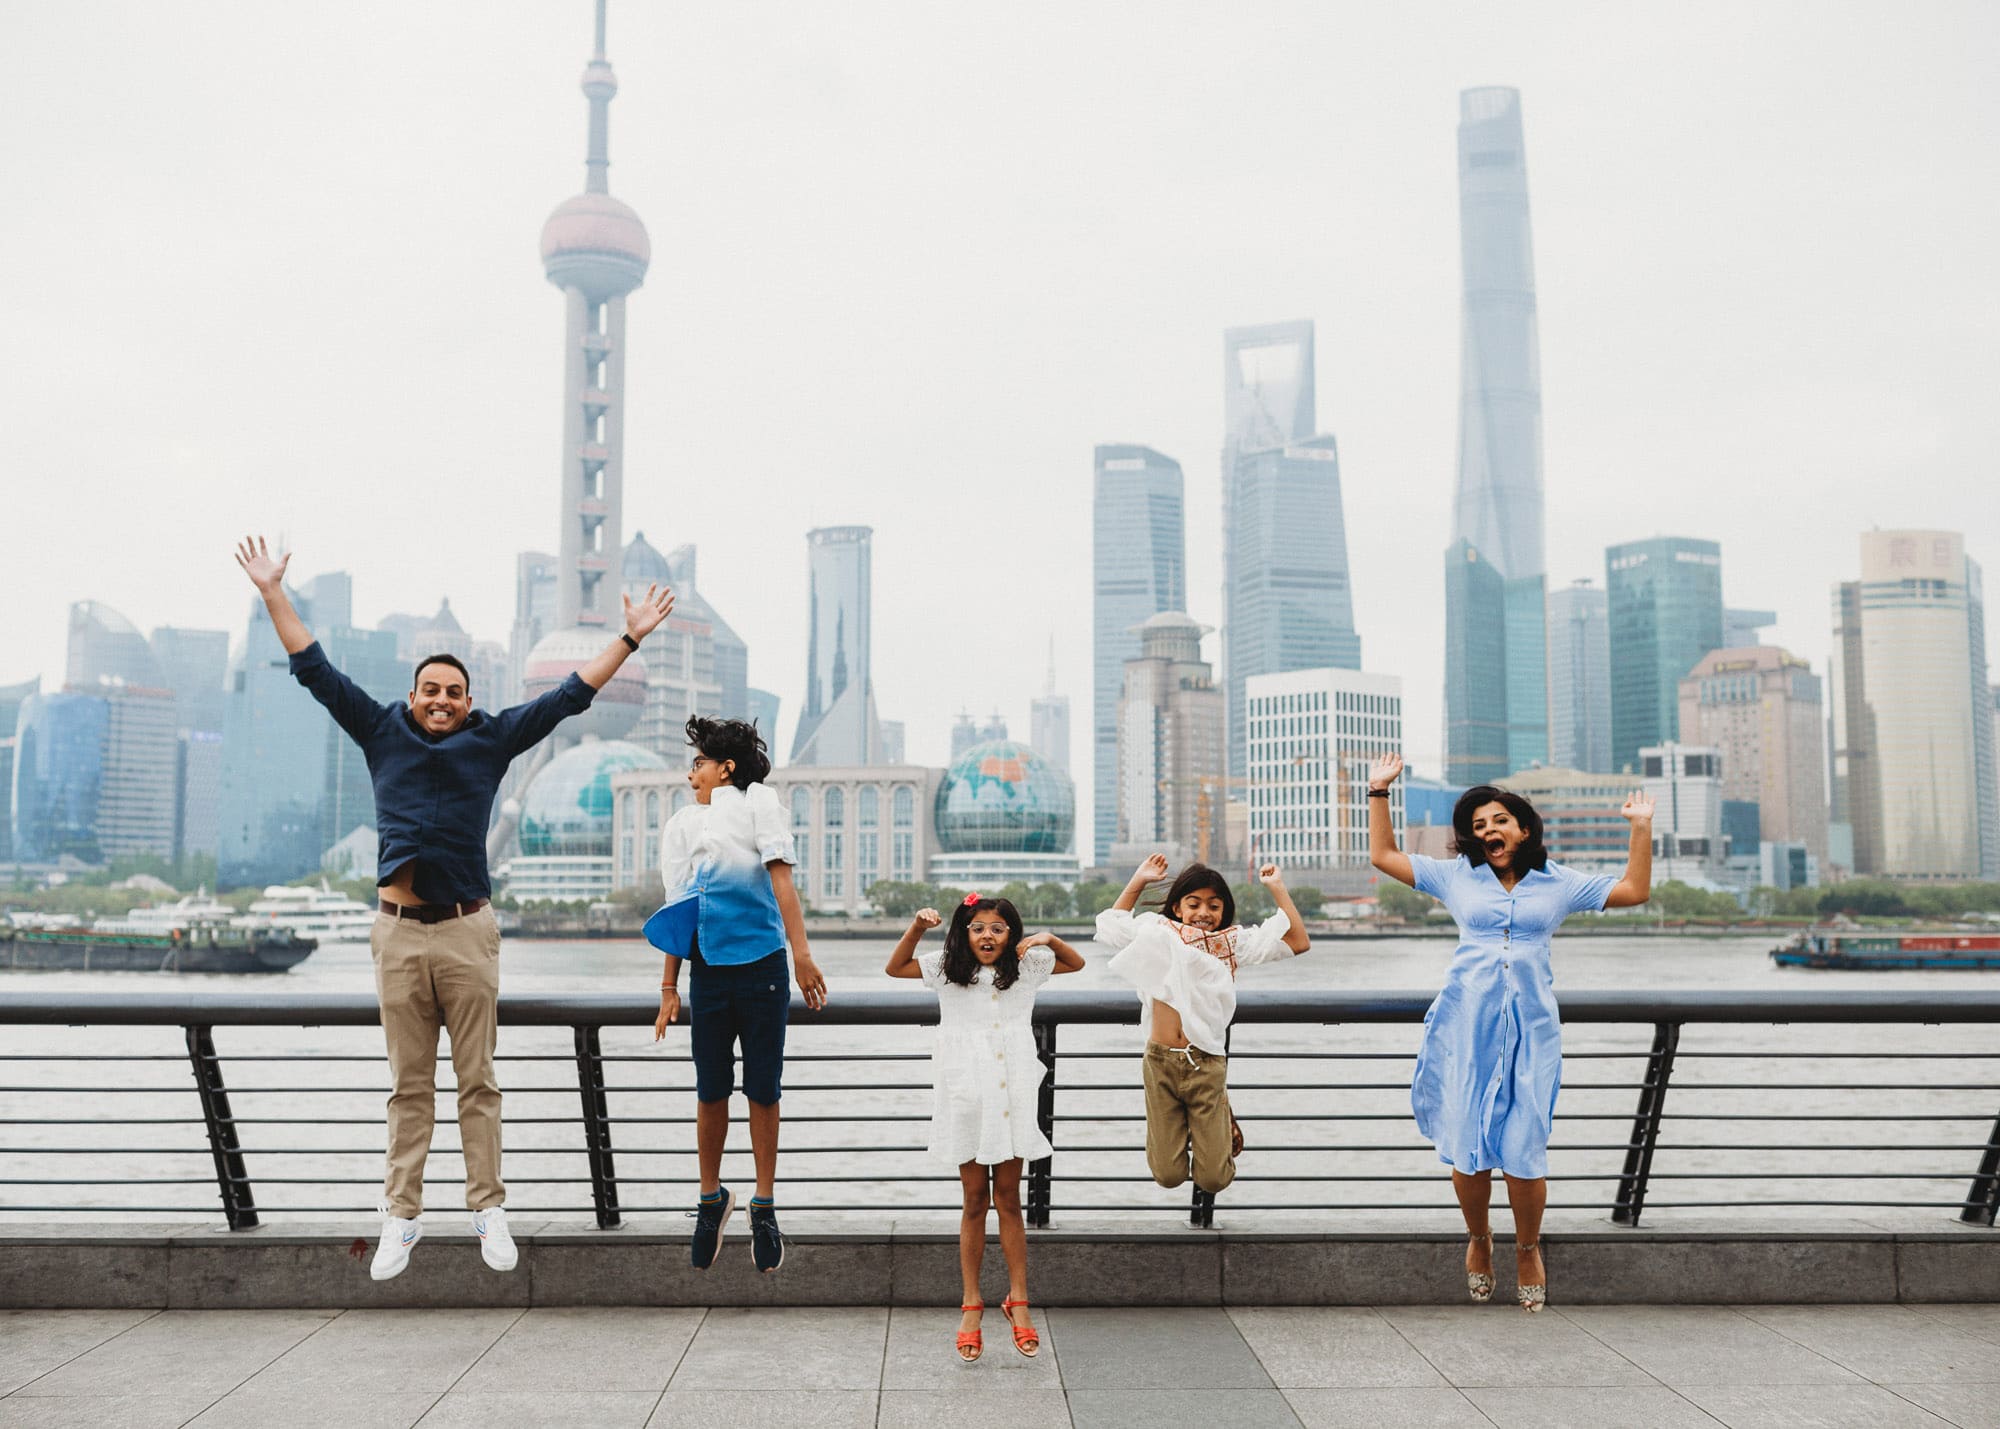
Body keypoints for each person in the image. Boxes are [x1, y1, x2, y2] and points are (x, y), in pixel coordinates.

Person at [232, 535, 673, 1282]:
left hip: (469, 931)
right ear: (414, 697)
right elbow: (314, 668)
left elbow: (571, 696)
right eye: (430, 690)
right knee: (409, 1086)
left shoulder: (494, 740)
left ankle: (487, 1209)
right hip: (398, 935)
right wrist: (274, 591)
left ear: (469, 701)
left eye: (454, 692)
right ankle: (400, 1216)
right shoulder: (379, 731)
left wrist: (630, 635)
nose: (441, 700)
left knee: (479, 1080)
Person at [1367, 751, 1653, 1311]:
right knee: (1469, 1147)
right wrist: (1379, 792)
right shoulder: (1456, 878)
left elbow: (1633, 891)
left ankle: (1527, 1248)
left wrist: (1640, 829)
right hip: (1467, 1024)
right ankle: (1478, 1240)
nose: (1489, 830)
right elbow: (1383, 855)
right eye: (1478, 826)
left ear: (1523, 828)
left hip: (1533, 1029)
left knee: (1525, 1147)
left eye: (1499, 821)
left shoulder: (1559, 883)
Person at [648, 715, 827, 1273]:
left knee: (764, 1089)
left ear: (725, 768)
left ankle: (764, 1204)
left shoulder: (758, 803)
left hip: (765, 966)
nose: (689, 773)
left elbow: (781, 882)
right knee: (710, 1089)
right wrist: (668, 985)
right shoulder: (680, 825)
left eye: (698, 762)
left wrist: (801, 955)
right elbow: (679, 912)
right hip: (709, 970)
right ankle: (710, 1198)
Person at [886, 894, 1083, 1361]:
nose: (987, 936)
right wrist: (916, 927)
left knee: (1009, 1197)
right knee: (974, 1199)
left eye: (998, 928)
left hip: (1012, 1090)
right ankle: (971, 1303)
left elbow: (1076, 963)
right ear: (964, 933)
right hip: (965, 1094)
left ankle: (1018, 1300)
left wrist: (1048, 937)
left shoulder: (1028, 969)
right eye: (978, 928)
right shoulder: (946, 969)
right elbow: (895, 968)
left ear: (1011, 933)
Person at [1095, 855, 1309, 1198]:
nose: (1204, 913)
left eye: (1214, 905)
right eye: (1193, 904)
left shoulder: (1231, 944)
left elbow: (1299, 941)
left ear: (1224, 910)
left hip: (1206, 1063)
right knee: (1167, 1174)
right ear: (1178, 908)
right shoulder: (1157, 933)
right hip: (1160, 1061)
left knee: (1214, 1179)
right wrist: (1139, 879)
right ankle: (1214, 1122)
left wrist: (1277, 888)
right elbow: (1109, 926)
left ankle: (1220, 1119)